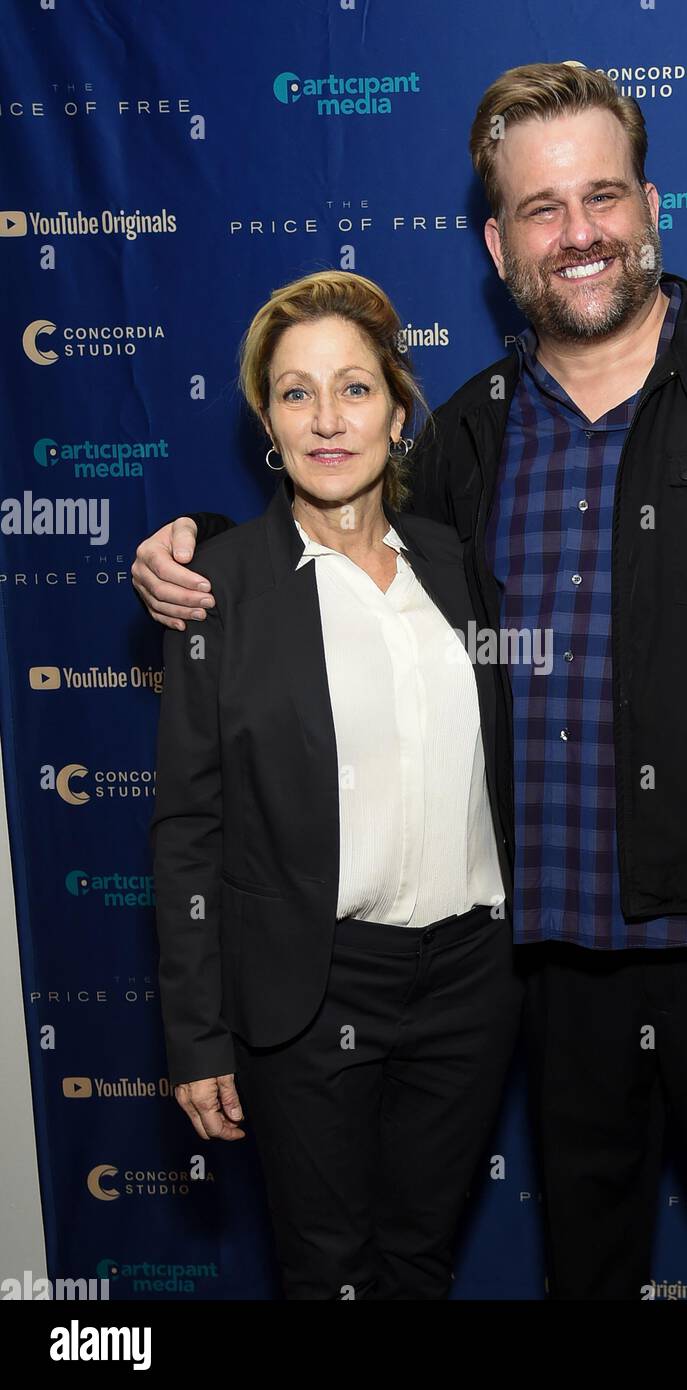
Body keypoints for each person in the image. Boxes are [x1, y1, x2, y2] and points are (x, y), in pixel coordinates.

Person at [135, 64, 687, 1300]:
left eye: (603, 197)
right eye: (543, 210)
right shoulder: (470, 433)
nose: (581, 232)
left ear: (651, 205)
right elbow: (335, 536)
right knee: (586, 1271)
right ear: (499, 244)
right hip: (544, 961)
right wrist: (185, 546)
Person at [148, 268, 522, 1301]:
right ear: (266, 419)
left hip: (469, 985)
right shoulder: (216, 592)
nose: (327, 419)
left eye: (354, 389)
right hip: (310, 991)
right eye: (296, 391)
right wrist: (196, 1036)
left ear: (399, 411)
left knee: (418, 1260)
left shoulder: (458, 566)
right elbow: (188, 824)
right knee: (327, 1272)